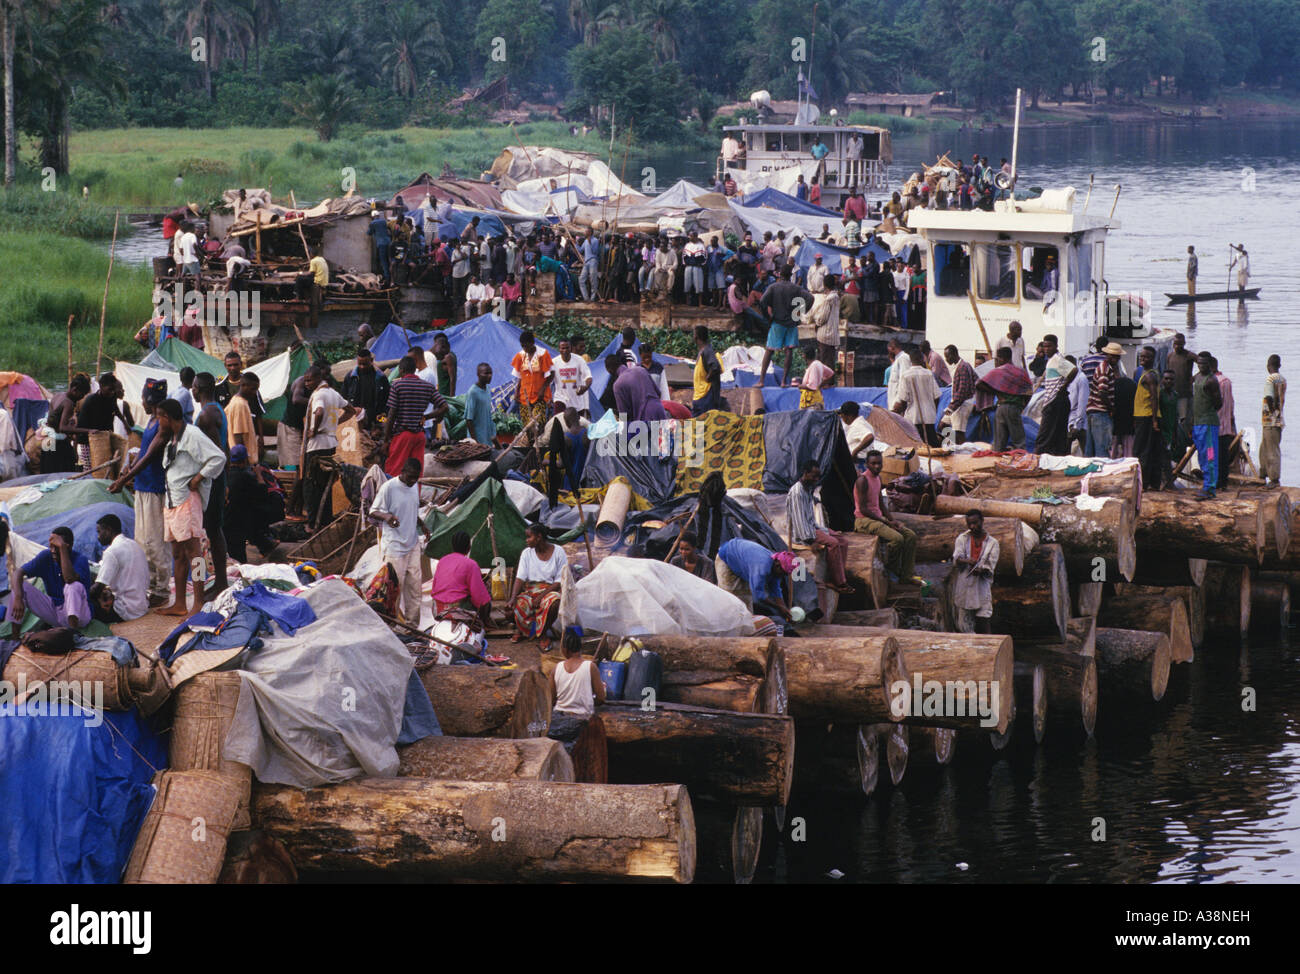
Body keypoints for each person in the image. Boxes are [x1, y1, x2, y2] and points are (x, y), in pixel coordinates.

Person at [155, 398, 226, 616]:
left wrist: (198, 478)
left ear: (167, 417)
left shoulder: (193, 435)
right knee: (177, 553)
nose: (157, 421)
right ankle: (179, 604)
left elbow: (218, 457)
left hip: (187, 500)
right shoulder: (173, 437)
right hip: (173, 500)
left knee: (194, 553)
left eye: (159, 416)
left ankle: (198, 603)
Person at [109, 382, 171, 602]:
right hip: (142, 486)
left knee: (156, 542)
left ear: (151, 400)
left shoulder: (163, 425)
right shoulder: (152, 420)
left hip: (154, 487)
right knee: (143, 541)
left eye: (144, 399)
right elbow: (143, 453)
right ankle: (151, 585)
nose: (141, 403)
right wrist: (130, 468)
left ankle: (162, 590)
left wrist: (124, 478)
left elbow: (150, 456)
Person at [367, 457, 430, 628]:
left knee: (415, 589)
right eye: (410, 477)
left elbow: (411, 510)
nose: (412, 481)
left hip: (412, 544)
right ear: (402, 472)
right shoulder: (389, 487)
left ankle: (411, 627)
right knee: (393, 590)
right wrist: (388, 517)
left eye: (416, 478)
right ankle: (391, 626)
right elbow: (373, 511)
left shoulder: (413, 488)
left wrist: (422, 525)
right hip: (394, 546)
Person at [853, 450, 921, 584]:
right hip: (864, 521)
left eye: (879, 463)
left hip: (877, 519)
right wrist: (885, 522)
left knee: (910, 535)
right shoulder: (863, 480)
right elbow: (863, 509)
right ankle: (891, 570)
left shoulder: (878, 478)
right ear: (867, 464)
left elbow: (881, 505)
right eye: (873, 463)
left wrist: (892, 520)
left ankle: (906, 575)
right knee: (897, 539)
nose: (877, 466)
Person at [6, 527, 93, 630]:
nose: (52, 551)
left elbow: (69, 578)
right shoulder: (46, 556)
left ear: (68, 547)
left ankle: (73, 632)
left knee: (73, 586)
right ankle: (15, 639)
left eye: (56, 547)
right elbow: (17, 573)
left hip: (80, 616)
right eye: (51, 546)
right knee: (20, 586)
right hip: (56, 611)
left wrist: (62, 549)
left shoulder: (80, 559)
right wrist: (18, 598)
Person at [787, 461, 854, 595]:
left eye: (818, 476)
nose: (816, 479)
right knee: (833, 543)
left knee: (843, 541)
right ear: (805, 474)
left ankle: (838, 572)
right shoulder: (797, 492)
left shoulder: (808, 489)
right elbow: (800, 522)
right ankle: (839, 582)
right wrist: (811, 541)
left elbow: (809, 514)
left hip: (812, 527)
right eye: (814, 476)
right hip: (803, 533)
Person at [303, 366, 356, 530]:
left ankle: (313, 523)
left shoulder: (319, 394)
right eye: (305, 380)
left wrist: (315, 429)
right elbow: (351, 410)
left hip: (317, 446)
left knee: (312, 485)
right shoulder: (334, 393)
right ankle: (325, 521)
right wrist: (335, 424)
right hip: (330, 444)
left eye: (309, 380)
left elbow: (318, 412)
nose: (306, 383)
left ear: (318, 378)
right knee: (325, 483)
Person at [193, 372, 230, 597]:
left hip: (210, 481)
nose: (192, 391)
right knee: (212, 532)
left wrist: (201, 478)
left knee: (198, 536)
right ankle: (219, 581)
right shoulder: (214, 410)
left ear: (198, 388)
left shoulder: (207, 414)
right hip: (214, 480)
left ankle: (201, 586)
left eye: (194, 387)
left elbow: (217, 454)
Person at [384, 356, 445, 476]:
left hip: (403, 435)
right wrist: (426, 417)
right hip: (419, 436)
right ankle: (415, 494)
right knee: (415, 472)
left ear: (401, 370)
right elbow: (444, 406)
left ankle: (394, 494)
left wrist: (386, 439)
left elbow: (392, 414)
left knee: (395, 470)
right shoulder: (427, 386)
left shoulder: (397, 386)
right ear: (414, 369)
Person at [510, 523, 567, 650]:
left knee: (555, 602)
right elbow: (520, 577)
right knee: (519, 603)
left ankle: (543, 634)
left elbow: (559, 580)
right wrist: (513, 598)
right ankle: (522, 630)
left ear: (539, 537)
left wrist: (541, 596)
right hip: (530, 590)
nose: (527, 540)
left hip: (550, 590)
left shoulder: (558, 551)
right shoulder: (526, 553)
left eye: (529, 537)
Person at [223, 444, 280, 562]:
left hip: (226, 521)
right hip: (238, 524)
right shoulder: (245, 476)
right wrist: (259, 474)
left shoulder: (226, 474)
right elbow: (263, 494)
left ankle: (265, 544)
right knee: (239, 559)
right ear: (244, 460)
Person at [715, 539, 795, 623]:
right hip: (726, 557)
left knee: (746, 603)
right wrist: (778, 607)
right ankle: (725, 628)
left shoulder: (776, 568)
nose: (782, 576)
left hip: (741, 561)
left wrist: (783, 607)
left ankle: (744, 630)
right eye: (783, 573)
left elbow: (775, 590)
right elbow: (758, 596)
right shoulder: (762, 566)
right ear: (777, 565)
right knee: (730, 600)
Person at [758, 267, 814, 388]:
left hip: (777, 322)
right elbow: (810, 298)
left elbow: (762, 301)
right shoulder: (796, 288)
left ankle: (761, 380)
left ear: (780, 275)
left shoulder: (774, 287)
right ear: (790, 276)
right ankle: (783, 381)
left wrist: (767, 316)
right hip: (792, 322)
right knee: (789, 350)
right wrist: (799, 313)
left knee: (769, 350)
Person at [90, 513, 149, 623]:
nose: (98, 537)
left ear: (108, 530)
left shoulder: (111, 552)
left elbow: (97, 588)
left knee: (84, 604)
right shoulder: (134, 544)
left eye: (99, 532)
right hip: (142, 606)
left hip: (126, 612)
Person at [430, 529, 493, 625]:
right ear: (469, 547)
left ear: (453, 546)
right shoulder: (471, 564)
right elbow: (480, 597)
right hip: (458, 611)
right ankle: (483, 624)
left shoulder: (442, 561)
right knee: (486, 594)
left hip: (438, 610)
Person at [951, 510, 999, 634]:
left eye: (975, 523)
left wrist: (982, 570)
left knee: (984, 620)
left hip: (981, 587)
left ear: (982, 521)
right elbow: (956, 558)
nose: (972, 526)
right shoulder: (962, 538)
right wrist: (967, 560)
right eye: (969, 524)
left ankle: (988, 649)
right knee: (964, 626)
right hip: (964, 586)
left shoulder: (993, 543)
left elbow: (991, 565)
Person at [978, 346, 1032, 452]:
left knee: (999, 442)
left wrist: (997, 392)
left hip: (1001, 407)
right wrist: (1022, 406)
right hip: (1014, 407)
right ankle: (1021, 464)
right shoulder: (1020, 372)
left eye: (997, 359)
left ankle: (995, 464)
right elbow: (1029, 392)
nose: (996, 362)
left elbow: (979, 383)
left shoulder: (998, 372)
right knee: (1019, 441)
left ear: (1002, 358)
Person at [550, 625, 605, 722]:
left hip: (559, 717)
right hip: (583, 718)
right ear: (580, 648)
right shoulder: (590, 667)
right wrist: (587, 703)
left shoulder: (556, 668)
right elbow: (601, 698)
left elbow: (551, 699)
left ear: (565, 649)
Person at [894, 347, 942, 447]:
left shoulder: (906, 375)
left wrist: (903, 413)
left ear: (910, 360)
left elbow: (903, 399)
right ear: (922, 359)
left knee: (915, 446)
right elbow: (937, 396)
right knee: (932, 445)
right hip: (929, 416)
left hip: (912, 417)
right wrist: (933, 409)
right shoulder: (928, 374)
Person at [1191, 352, 1223, 501]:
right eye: (1199, 363)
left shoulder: (1211, 381)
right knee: (1203, 455)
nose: (1201, 366)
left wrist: (1207, 413)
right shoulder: (1197, 377)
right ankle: (1205, 485)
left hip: (1209, 423)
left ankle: (1210, 488)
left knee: (1210, 456)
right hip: (1198, 422)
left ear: (1210, 364)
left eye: (1204, 364)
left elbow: (1218, 403)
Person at [1132, 362, 1168, 490]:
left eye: (1147, 357)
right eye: (1142, 356)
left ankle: (1144, 483)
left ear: (1152, 359)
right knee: (1152, 450)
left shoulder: (1149, 377)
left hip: (1146, 416)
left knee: (1143, 451)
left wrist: (1154, 420)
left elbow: (1154, 398)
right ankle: (1153, 483)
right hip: (1144, 415)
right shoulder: (1147, 374)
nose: (1143, 359)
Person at [1034, 350, 1076, 457]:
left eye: (1049, 346)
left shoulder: (1057, 359)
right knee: (1058, 434)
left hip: (1054, 400)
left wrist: (1064, 386)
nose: (1046, 349)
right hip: (1055, 400)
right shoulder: (1051, 361)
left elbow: (1073, 370)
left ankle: (1039, 458)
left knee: (1045, 434)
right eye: (1045, 346)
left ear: (1055, 346)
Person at [511, 330, 553, 430]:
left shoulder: (543, 354)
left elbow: (551, 375)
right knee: (527, 426)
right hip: (524, 397)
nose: (525, 349)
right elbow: (519, 377)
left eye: (526, 346)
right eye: (522, 346)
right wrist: (516, 392)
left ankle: (539, 443)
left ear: (532, 343)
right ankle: (531, 444)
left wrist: (542, 389)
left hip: (540, 397)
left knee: (538, 422)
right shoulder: (520, 356)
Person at [608, 354, 668, 425]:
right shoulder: (641, 369)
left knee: (651, 436)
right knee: (664, 435)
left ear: (609, 369)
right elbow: (658, 392)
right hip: (659, 410)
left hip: (644, 417)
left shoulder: (618, 385)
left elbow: (624, 414)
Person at [1085, 342, 1121, 458]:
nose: (1115, 358)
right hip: (1100, 412)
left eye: (1117, 356)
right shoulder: (1105, 369)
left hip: (1094, 411)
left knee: (1090, 451)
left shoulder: (1103, 367)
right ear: (1107, 355)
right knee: (1102, 449)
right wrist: (1112, 408)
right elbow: (1102, 392)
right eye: (1113, 356)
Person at [342, 346, 391, 431]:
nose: (362, 367)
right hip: (354, 420)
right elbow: (343, 398)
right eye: (359, 364)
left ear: (371, 361)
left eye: (365, 364)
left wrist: (381, 422)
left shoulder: (381, 377)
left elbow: (387, 400)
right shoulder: (350, 377)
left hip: (374, 420)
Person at [225, 371, 263, 463]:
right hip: (243, 462)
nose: (255, 393)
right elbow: (238, 435)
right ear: (243, 385)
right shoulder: (239, 404)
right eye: (253, 389)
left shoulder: (238, 401)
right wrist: (244, 462)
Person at [1262, 355, 1286, 488]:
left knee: (1271, 450)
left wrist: (1273, 413)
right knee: (1265, 447)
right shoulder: (1282, 379)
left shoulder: (1270, 379)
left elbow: (1269, 397)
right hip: (1278, 419)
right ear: (1279, 365)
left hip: (1271, 420)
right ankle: (1263, 473)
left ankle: (1274, 479)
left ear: (1268, 366)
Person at [1167, 332, 1196, 440]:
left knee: (1183, 419)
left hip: (1184, 393)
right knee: (1173, 417)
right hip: (1172, 392)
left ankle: (1183, 440)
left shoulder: (1189, 355)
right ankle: (1174, 440)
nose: (1177, 346)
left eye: (1180, 344)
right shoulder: (1170, 356)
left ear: (1184, 343)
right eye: (1175, 344)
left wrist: (1194, 378)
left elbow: (1204, 363)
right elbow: (1167, 371)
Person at [692, 326, 723, 416]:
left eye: (694, 335)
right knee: (696, 426)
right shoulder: (702, 351)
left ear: (696, 337)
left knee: (703, 425)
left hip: (706, 395)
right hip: (699, 395)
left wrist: (708, 377)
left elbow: (715, 367)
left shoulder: (707, 351)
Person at [464, 363, 497, 447]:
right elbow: (468, 419)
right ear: (478, 374)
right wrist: (475, 442)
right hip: (478, 441)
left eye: (490, 373)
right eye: (486, 373)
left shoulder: (488, 389)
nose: (489, 376)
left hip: (487, 438)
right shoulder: (473, 392)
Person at [368, 210, 392, 282]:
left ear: (372, 217)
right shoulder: (384, 221)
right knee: (389, 260)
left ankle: (387, 278)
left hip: (381, 244)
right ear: (378, 215)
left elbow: (369, 233)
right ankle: (392, 277)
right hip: (389, 242)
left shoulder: (372, 223)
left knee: (383, 261)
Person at [578, 229, 601, 301]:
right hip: (586, 262)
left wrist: (590, 243)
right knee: (581, 279)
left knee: (593, 279)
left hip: (593, 261)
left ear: (590, 232)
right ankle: (586, 298)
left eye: (586, 231)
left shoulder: (595, 240)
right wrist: (574, 243)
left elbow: (595, 252)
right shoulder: (585, 241)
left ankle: (593, 298)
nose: (584, 232)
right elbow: (580, 250)